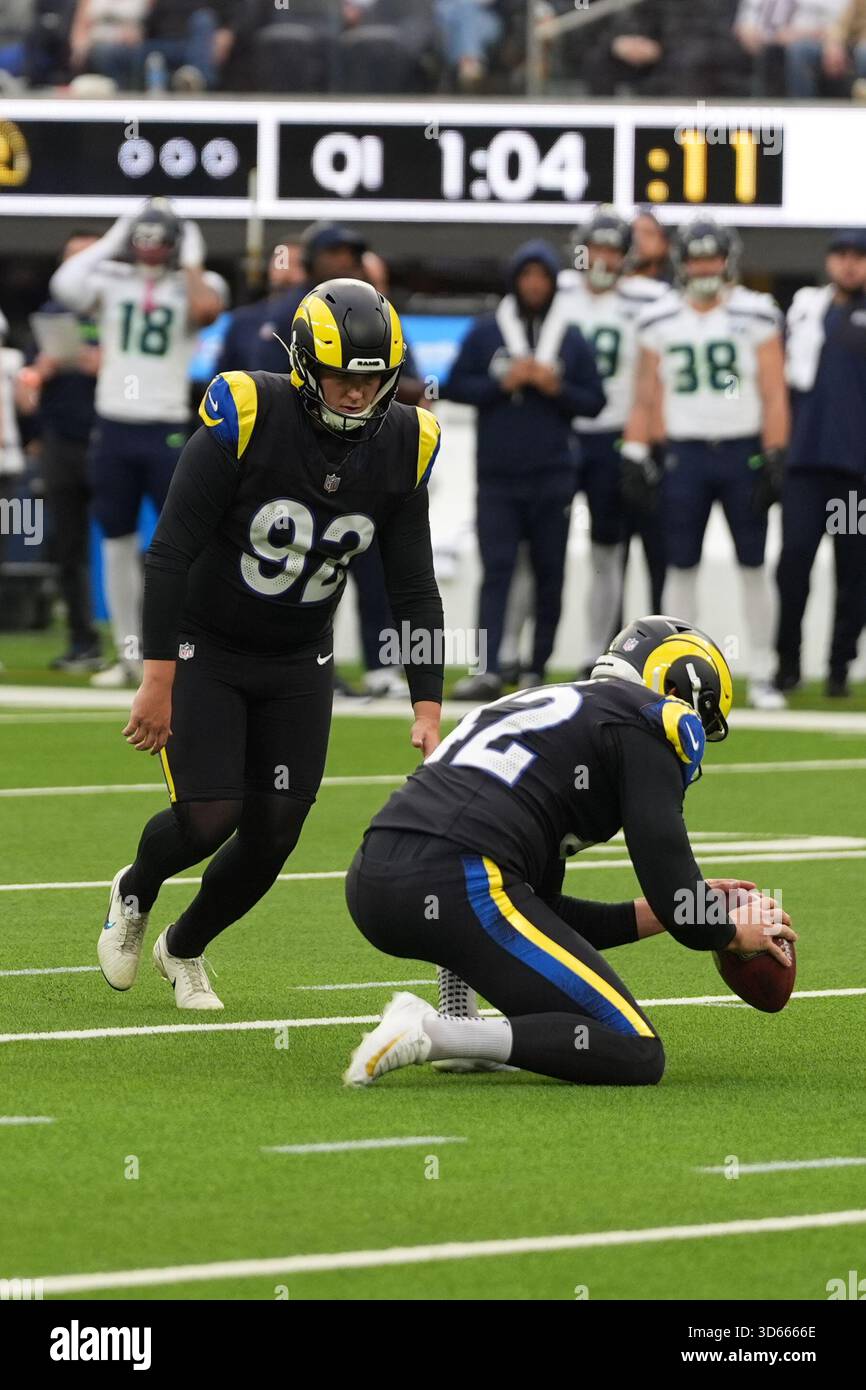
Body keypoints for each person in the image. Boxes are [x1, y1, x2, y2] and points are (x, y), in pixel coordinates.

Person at [97, 279, 444, 1010]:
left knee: (275, 828)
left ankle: (184, 947)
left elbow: (412, 583)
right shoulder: (248, 414)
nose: (356, 393)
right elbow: (168, 553)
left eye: (372, 378)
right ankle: (135, 888)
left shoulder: (407, 442)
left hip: (298, 657)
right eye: (343, 377)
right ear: (304, 368)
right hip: (208, 645)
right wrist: (155, 679)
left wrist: (427, 699)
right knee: (209, 815)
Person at [343, 615, 795, 1087]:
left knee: (491, 886)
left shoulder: (542, 711)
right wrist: (724, 930)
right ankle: (437, 1034)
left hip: (374, 884)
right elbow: (675, 886)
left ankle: (458, 1015)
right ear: (682, 690)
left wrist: (661, 912)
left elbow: (540, 911)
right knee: (637, 1051)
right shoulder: (650, 719)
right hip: (459, 879)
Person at [50, 199, 226, 688]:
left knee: (185, 541)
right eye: (142, 240)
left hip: (166, 426)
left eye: (159, 241)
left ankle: (186, 648)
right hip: (113, 425)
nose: (149, 251)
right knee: (116, 540)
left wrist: (191, 255)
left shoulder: (195, 283)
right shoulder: (110, 278)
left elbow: (207, 309)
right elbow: (61, 284)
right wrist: (117, 230)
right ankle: (129, 654)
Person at [624, 218, 790, 711]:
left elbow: (773, 389)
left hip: (742, 450)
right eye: (695, 258)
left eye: (711, 257)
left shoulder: (756, 313)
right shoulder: (659, 319)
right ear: (682, 263)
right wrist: (636, 453)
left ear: (727, 260)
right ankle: (679, 673)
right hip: (684, 453)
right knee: (681, 564)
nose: (704, 267)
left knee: (754, 562)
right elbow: (645, 395)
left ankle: (762, 669)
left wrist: (777, 454)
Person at [444, 239, 605, 699]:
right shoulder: (487, 331)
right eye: (527, 276)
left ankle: (537, 665)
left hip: (553, 475)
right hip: (497, 475)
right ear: (514, 281)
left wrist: (556, 387)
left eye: (543, 277)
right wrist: (503, 382)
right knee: (496, 569)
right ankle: (490, 666)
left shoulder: (569, 337)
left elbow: (593, 400)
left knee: (549, 570)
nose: (534, 285)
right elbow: (454, 386)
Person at [559, 208, 668, 676]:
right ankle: (516, 655)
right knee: (539, 549)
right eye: (596, 247)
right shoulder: (557, 291)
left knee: (609, 548)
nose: (602, 259)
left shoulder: (650, 299)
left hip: (616, 437)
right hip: (560, 434)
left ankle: (595, 652)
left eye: (612, 249)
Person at [777, 228, 866, 696]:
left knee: (853, 575)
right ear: (830, 261)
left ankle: (838, 668)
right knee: (793, 566)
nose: (850, 264)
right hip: (804, 468)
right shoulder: (805, 311)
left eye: (859, 256)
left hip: (855, 473)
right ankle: (787, 664)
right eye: (842, 255)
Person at [15, 233, 102, 671]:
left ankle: (149, 645)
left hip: (114, 439)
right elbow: (26, 390)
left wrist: (108, 365)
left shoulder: (117, 307)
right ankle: (83, 641)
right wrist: (38, 373)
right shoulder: (51, 314)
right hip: (63, 442)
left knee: (142, 546)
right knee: (68, 546)